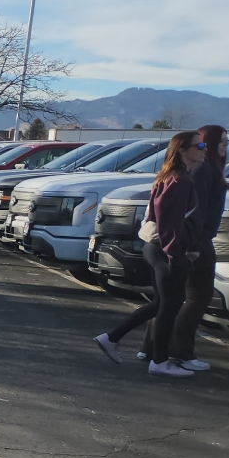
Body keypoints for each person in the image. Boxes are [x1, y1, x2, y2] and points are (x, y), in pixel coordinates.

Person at [94, 131, 207, 376]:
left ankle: (111, 338)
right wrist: (175, 254)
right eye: (199, 145)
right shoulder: (179, 180)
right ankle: (159, 361)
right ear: (182, 150)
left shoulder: (175, 176)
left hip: (159, 248)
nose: (204, 149)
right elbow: (168, 221)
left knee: (162, 303)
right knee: (171, 304)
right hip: (165, 250)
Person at [170, 124, 229, 370]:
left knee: (177, 299)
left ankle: (153, 348)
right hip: (197, 242)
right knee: (197, 298)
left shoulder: (208, 169)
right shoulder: (204, 170)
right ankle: (179, 353)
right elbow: (197, 210)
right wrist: (193, 244)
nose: (226, 146)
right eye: (222, 141)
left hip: (198, 239)